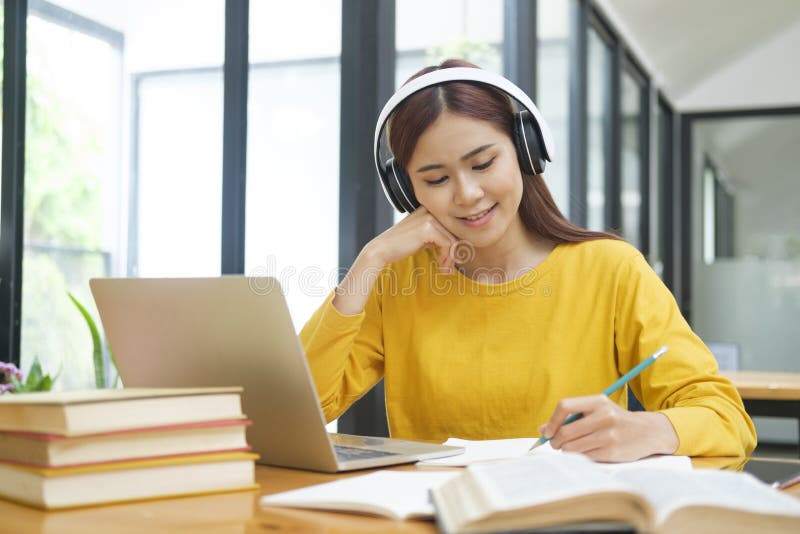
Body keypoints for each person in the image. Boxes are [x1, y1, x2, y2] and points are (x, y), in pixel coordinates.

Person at [300, 59, 756, 462]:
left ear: (525, 149)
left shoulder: (610, 269)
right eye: (436, 179)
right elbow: (301, 410)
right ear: (406, 191)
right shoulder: (397, 281)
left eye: (482, 164)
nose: (467, 194)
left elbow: (726, 419)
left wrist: (651, 429)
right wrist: (371, 258)